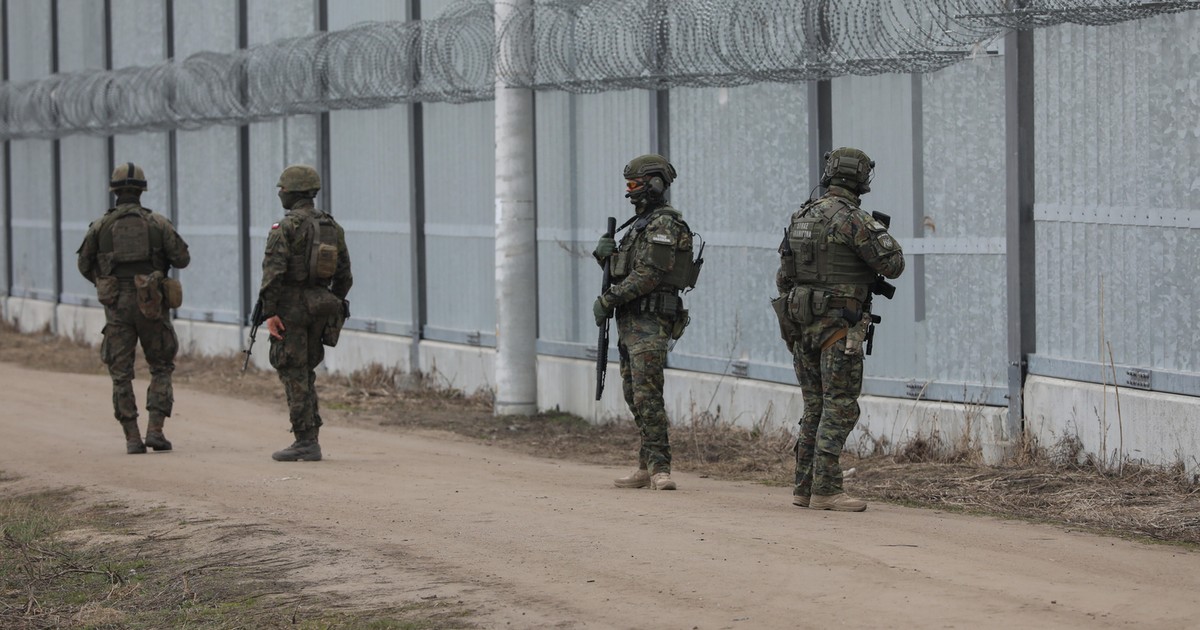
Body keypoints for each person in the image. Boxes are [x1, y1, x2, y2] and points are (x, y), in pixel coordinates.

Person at [774, 147, 905, 511]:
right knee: (841, 406)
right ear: (861, 178)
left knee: (814, 405)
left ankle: (803, 487)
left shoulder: (801, 216)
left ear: (830, 174)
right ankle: (828, 489)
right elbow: (893, 264)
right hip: (839, 326)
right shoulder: (854, 220)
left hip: (802, 326)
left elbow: (784, 275)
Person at [593, 154, 701, 491]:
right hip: (631, 321)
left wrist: (608, 299)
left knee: (647, 394)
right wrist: (604, 257)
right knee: (633, 393)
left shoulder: (664, 225)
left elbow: (650, 275)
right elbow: (624, 271)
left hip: (651, 320)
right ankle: (645, 464)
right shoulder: (639, 226)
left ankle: (660, 469)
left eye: (635, 184)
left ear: (655, 184)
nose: (630, 190)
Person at [77, 162, 190, 454]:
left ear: (114, 191)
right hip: (151, 301)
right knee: (161, 366)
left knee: (121, 373)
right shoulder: (158, 223)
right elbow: (181, 259)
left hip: (116, 306)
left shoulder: (101, 226)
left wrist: (105, 282)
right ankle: (155, 430)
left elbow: (83, 264)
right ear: (142, 191)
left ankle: (131, 437)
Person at [258, 164, 352, 462]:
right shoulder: (332, 227)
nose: (280, 194)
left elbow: (273, 274)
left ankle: (305, 440)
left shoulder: (285, 228)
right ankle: (309, 436)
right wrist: (330, 302)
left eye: (282, 190)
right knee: (306, 371)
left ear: (292, 193)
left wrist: (269, 313)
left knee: (294, 372)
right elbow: (345, 276)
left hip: (292, 309)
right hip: (319, 306)